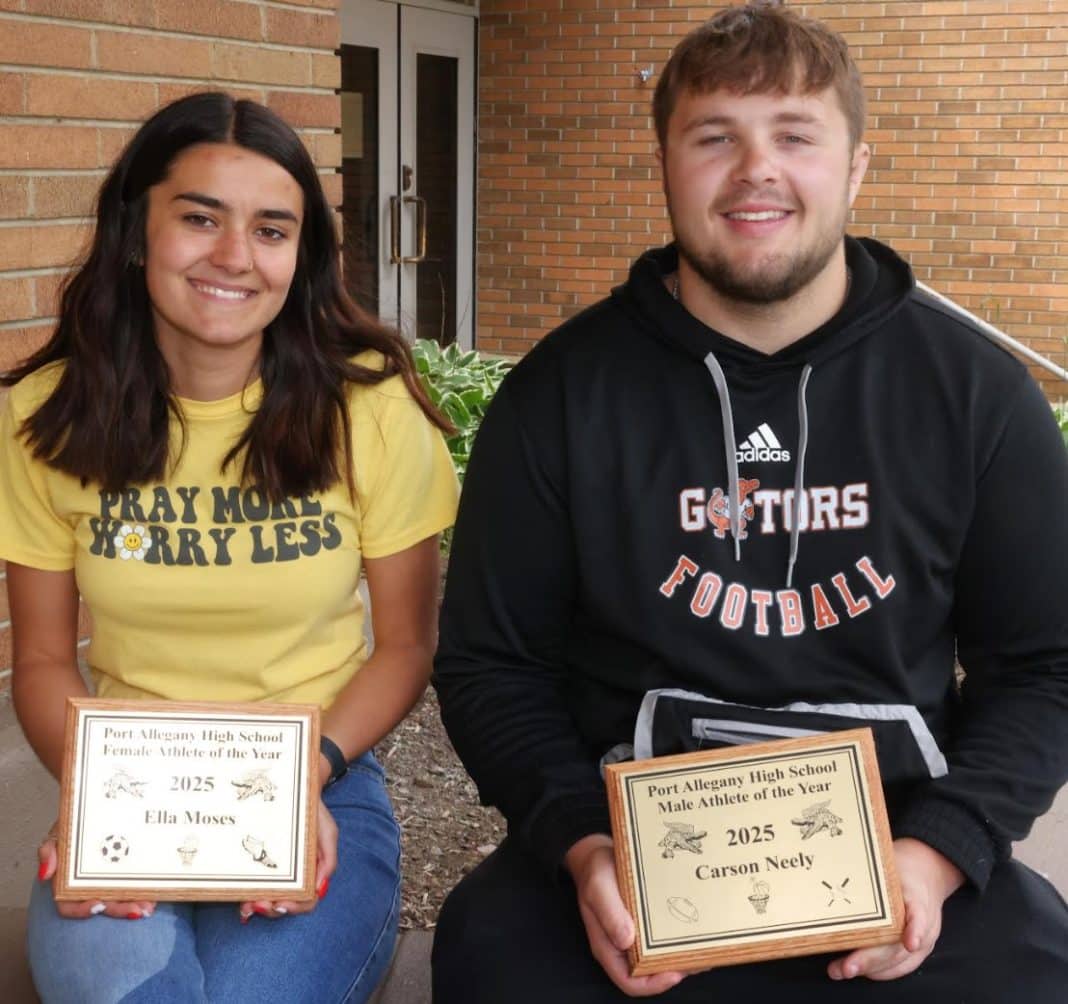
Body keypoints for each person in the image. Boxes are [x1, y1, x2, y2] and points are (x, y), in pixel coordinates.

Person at [431, 4, 1068, 1001]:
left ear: (857, 166)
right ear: (665, 168)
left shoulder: (976, 395)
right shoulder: (560, 392)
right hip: (633, 863)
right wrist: (582, 846)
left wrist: (941, 851)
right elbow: (491, 664)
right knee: (486, 954)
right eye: (714, 137)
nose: (755, 169)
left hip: (896, 853)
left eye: (795, 136)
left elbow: (1046, 665)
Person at [0, 92, 458, 1003]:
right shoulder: (42, 419)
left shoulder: (368, 411)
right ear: (137, 233)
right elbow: (45, 659)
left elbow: (406, 645)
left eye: (272, 230)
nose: (235, 258)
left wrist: (306, 779)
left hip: (321, 774)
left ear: (302, 256)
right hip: (131, 779)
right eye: (200, 218)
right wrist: (97, 800)